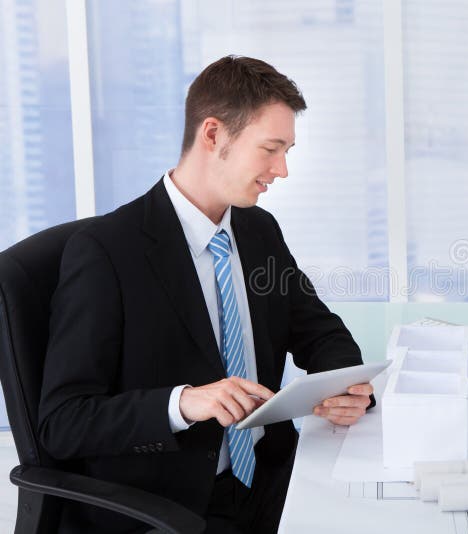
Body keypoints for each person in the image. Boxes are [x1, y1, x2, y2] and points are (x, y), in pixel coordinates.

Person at [38, 55, 374, 534]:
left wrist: (342, 384)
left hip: (272, 477)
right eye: (271, 149)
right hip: (174, 505)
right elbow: (63, 421)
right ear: (213, 135)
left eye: (287, 151)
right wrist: (183, 403)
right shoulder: (106, 253)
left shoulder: (257, 230)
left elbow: (319, 330)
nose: (282, 170)